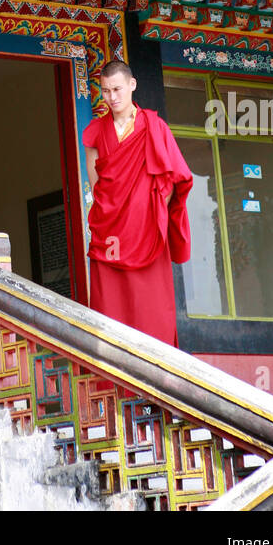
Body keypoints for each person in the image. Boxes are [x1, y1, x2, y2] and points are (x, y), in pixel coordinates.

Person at [83, 59, 192, 346]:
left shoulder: (155, 127)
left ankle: (157, 375)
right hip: (110, 232)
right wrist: (117, 212)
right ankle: (111, 380)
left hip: (148, 232)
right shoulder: (96, 132)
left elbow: (173, 178)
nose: (112, 97)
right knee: (111, 309)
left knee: (151, 307)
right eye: (105, 91)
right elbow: (98, 187)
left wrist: (150, 213)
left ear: (132, 85)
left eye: (117, 89)